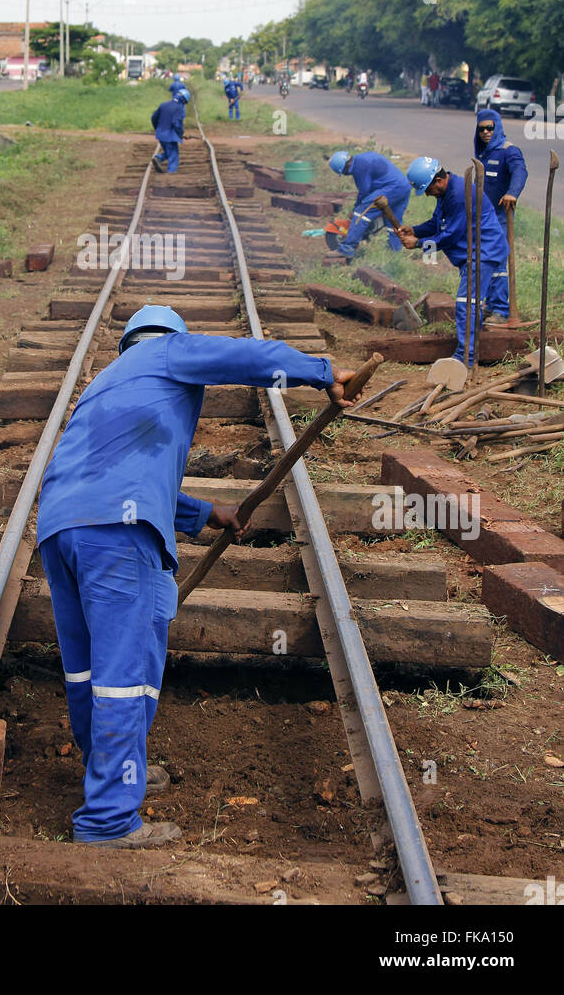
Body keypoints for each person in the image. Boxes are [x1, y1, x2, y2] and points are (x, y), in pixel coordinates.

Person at [36, 304, 356, 848]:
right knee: (125, 674)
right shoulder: (167, 351)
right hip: (116, 532)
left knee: (88, 671)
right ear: (167, 339)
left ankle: (110, 776)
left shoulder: (105, 382)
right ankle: (108, 822)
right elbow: (244, 355)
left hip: (61, 527)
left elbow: (119, 470)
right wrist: (322, 371)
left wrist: (206, 515)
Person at [398, 157, 508, 365]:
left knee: (466, 304)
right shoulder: (448, 191)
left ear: (438, 180)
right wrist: (415, 230)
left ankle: (465, 357)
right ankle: (477, 338)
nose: (428, 194)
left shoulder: (459, 195)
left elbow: (451, 235)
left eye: (428, 189)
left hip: (483, 251)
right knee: (472, 302)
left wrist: (419, 243)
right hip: (479, 250)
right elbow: (437, 223)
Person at [473, 108, 527, 323]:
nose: (486, 132)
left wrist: (512, 193)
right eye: (481, 129)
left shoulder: (509, 151)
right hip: (484, 217)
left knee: (497, 262)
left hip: (501, 216)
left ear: (498, 127)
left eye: (490, 128)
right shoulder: (483, 153)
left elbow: (520, 172)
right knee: (485, 260)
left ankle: (501, 311)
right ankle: (490, 305)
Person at [327, 151, 411, 259]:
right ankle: (396, 254)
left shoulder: (359, 167)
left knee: (361, 214)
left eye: (343, 172)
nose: (345, 175)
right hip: (403, 187)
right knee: (394, 223)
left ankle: (347, 249)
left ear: (345, 167)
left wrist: (355, 210)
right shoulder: (362, 159)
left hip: (391, 188)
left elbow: (364, 191)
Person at [151, 94, 184, 173]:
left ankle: (158, 158)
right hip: (170, 136)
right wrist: (180, 134)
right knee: (174, 155)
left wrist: (157, 129)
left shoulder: (163, 104)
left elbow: (153, 118)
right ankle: (171, 174)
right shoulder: (178, 108)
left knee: (169, 152)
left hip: (160, 134)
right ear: (183, 101)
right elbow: (176, 123)